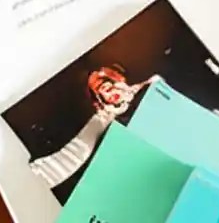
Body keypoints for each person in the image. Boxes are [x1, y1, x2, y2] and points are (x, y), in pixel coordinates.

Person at [26, 65, 156, 189]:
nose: (111, 90)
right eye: (102, 85)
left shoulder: (135, 108)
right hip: (37, 171)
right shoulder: (91, 116)